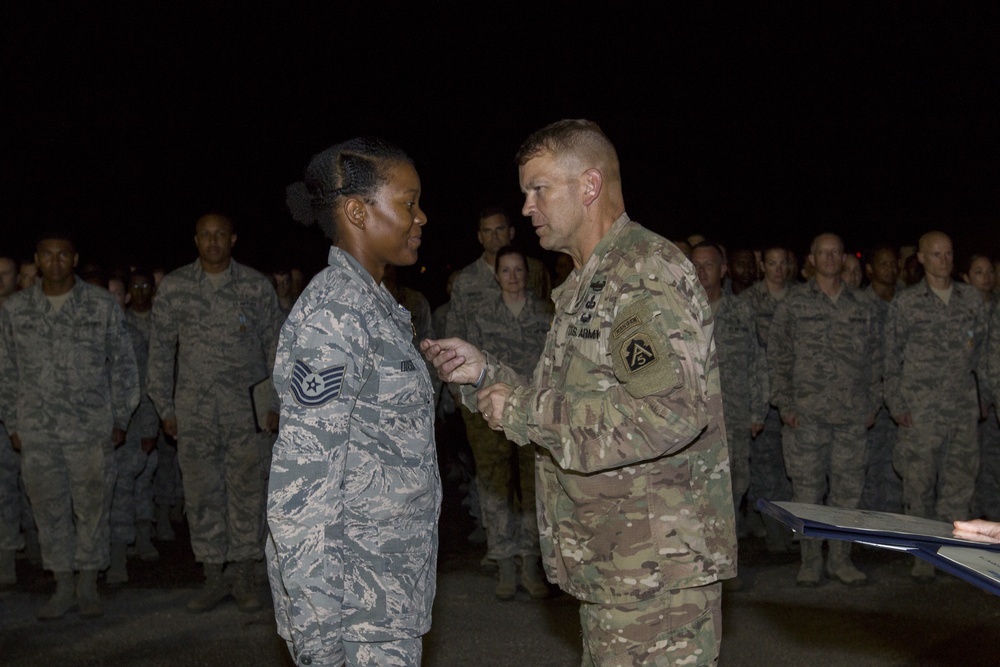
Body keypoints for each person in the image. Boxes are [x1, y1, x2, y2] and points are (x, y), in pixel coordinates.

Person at [422, 119, 736, 666]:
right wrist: (484, 375)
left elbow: (668, 412)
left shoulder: (641, 271)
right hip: (618, 564)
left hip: (654, 573)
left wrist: (520, 408)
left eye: (537, 189)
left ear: (588, 187)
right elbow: (577, 401)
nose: (526, 208)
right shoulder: (585, 282)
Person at [268, 138, 441, 667]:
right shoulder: (336, 314)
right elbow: (300, 496)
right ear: (358, 212)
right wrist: (320, 644)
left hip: (385, 595)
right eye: (408, 203)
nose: (422, 217)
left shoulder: (375, 304)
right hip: (353, 611)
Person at [147, 213, 283, 613]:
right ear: (195, 240)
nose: (213, 242)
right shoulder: (174, 288)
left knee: (247, 491)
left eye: (220, 234)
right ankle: (212, 574)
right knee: (202, 493)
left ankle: (243, 575)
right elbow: (160, 353)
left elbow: (277, 349)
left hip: (247, 414)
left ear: (233, 239)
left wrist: (275, 404)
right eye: (205, 235)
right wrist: (165, 407)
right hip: (194, 413)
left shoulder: (256, 287)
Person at [0, 232, 139, 619]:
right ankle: (62, 584)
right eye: (48, 255)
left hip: (90, 430)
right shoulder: (15, 310)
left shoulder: (100, 305)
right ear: (37, 259)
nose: (56, 261)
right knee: (48, 509)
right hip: (37, 432)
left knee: (93, 508)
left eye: (63, 254)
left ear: (75, 259)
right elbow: (5, 371)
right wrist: (12, 420)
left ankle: (88, 583)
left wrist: (120, 418)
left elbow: (125, 365)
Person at [768, 233, 881, 587]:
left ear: (845, 257)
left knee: (847, 493)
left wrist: (872, 403)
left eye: (836, 252)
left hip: (851, 416)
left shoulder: (862, 305)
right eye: (823, 253)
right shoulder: (794, 303)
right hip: (806, 416)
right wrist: (784, 404)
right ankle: (810, 561)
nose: (831, 258)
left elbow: (878, 359)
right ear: (812, 259)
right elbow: (779, 356)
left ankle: (841, 560)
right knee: (807, 493)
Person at [884, 231, 988, 581]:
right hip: (921, 411)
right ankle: (923, 554)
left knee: (959, 486)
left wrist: (983, 396)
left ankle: (954, 554)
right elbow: (890, 358)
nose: (944, 260)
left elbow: (984, 353)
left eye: (949, 253)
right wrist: (896, 403)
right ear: (922, 259)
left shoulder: (972, 299)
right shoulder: (907, 303)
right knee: (919, 484)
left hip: (961, 409)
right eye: (937, 254)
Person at [462, 245, 552, 600]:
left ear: (527, 275)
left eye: (519, 270)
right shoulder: (481, 314)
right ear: (496, 275)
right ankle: (503, 562)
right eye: (506, 270)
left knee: (532, 488)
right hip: (490, 413)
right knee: (494, 486)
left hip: (532, 412)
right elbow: (470, 367)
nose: (513, 277)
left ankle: (530, 563)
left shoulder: (546, 313)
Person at [691, 243, 765, 564]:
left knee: (734, 487)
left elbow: (757, 362)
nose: (701, 271)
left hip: (733, 415)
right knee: (696, 489)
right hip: (692, 420)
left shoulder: (743, 311)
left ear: (723, 270)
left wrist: (757, 411)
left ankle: (725, 560)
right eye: (695, 265)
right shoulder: (679, 313)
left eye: (708, 265)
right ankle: (701, 559)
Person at [740, 245, 795, 552]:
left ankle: (789, 531)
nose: (777, 269)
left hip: (792, 397)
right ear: (763, 265)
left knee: (791, 471)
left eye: (782, 263)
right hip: (762, 398)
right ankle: (774, 536)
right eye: (771, 263)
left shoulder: (799, 299)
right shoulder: (748, 302)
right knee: (764, 470)